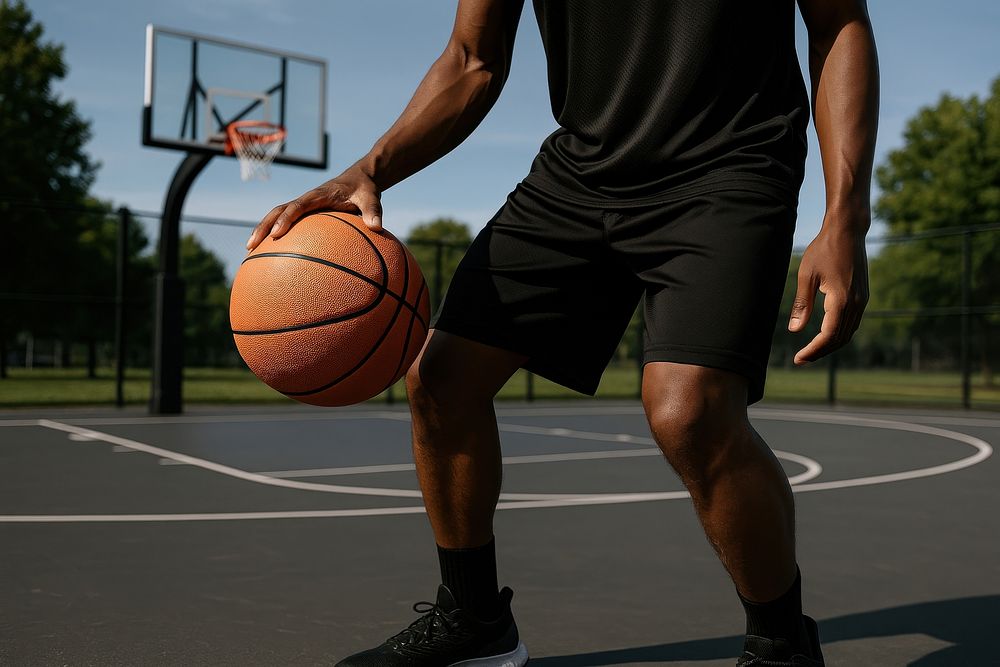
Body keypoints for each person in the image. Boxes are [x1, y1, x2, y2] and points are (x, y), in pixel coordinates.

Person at [247, 1, 878, 664]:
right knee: (441, 377)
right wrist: (370, 168)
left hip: (727, 165)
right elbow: (471, 58)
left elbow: (839, 20)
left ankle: (781, 647)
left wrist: (845, 216)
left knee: (689, 411)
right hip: (582, 171)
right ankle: (475, 619)